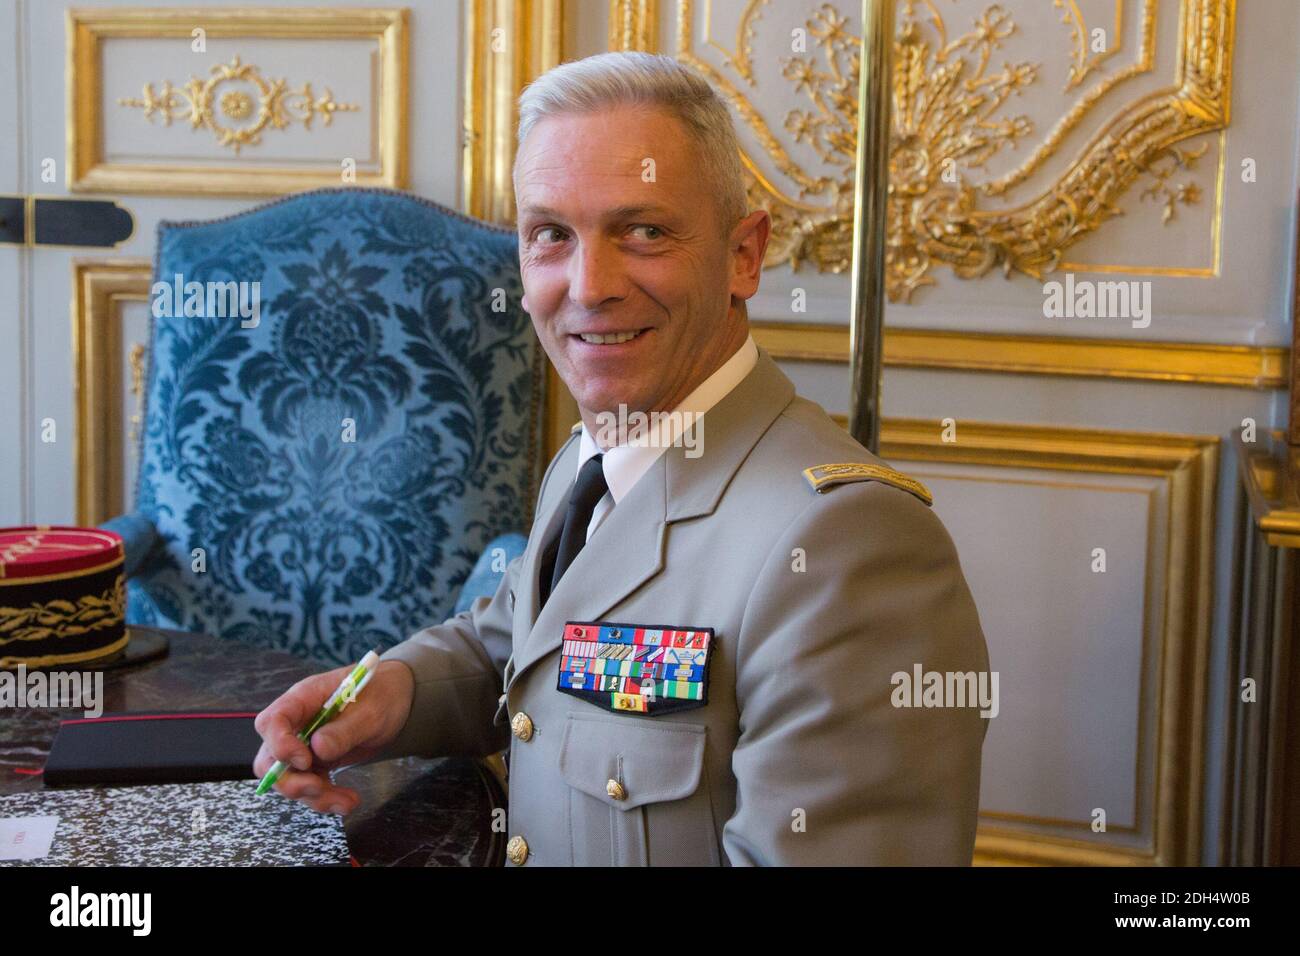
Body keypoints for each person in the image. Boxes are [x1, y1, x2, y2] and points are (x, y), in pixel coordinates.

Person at [253, 50, 990, 866]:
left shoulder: (849, 541)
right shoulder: (595, 455)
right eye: (550, 236)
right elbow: (528, 643)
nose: (589, 284)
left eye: (643, 231)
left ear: (744, 256)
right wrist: (396, 693)